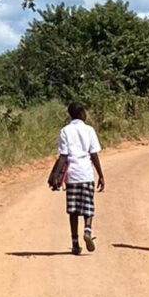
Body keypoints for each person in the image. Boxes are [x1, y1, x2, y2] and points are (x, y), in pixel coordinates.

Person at [47, 102, 105, 255]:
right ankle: (87, 229)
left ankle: (75, 243)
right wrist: (101, 175)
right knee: (88, 206)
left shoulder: (65, 131)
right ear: (81, 114)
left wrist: (55, 177)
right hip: (86, 173)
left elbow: (63, 156)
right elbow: (94, 154)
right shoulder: (89, 130)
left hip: (72, 175)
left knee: (73, 210)